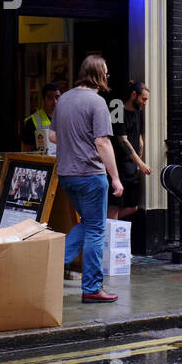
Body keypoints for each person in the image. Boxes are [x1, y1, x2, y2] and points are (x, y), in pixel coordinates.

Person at [51, 55, 124, 303]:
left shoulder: (64, 100)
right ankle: (92, 288)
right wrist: (115, 178)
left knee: (88, 223)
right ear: (99, 74)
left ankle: (52, 267)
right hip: (90, 175)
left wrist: (73, 143)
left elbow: (52, 136)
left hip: (66, 175)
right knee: (95, 229)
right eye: (106, 72)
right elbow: (102, 142)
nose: (107, 77)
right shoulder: (97, 102)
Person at [111, 82, 151, 221]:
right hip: (119, 166)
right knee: (114, 207)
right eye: (144, 99)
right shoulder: (117, 111)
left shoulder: (138, 112)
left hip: (132, 168)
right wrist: (141, 163)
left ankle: (103, 221)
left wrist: (138, 162)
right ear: (134, 95)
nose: (145, 103)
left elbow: (139, 138)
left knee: (133, 206)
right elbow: (123, 141)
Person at [23, 83, 61, 154]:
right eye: (50, 98)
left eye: (57, 97)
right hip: (42, 163)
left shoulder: (66, 118)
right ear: (43, 100)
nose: (55, 102)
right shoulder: (32, 121)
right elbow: (26, 151)